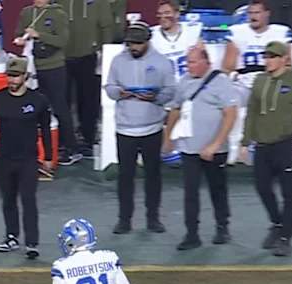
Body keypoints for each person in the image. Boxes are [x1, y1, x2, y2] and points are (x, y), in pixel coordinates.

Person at [238, 41, 292, 257]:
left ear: (284, 58)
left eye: (272, 56)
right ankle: (277, 222)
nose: (267, 60)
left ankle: (285, 237)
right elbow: (252, 114)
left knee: (288, 193)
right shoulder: (259, 81)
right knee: (262, 187)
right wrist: (245, 142)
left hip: (286, 144)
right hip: (263, 144)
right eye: (266, 56)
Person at [0, 56, 56, 258]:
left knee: (28, 199)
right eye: (9, 76)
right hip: (4, 159)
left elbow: (45, 129)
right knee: (8, 200)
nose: (12, 80)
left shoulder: (38, 100)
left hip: (29, 160)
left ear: (26, 76)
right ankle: (11, 238)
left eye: (16, 76)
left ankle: (32, 243)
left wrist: (48, 156)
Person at [103, 21, 176, 235]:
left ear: (147, 42)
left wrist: (156, 97)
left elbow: (170, 90)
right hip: (125, 128)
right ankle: (124, 219)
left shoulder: (162, 62)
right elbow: (109, 87)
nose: (133, 47)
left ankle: (153, 218)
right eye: (130, 44)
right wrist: (120, 93)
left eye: (137, 44)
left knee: (153, 175)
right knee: (126, 176)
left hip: (152, 128)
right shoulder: (118, 61)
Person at [165, 45, 238, 249]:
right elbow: (175, 109)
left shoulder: (221, 83)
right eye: (188, 62)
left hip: (215, 150)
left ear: (206, 62)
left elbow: (230, 114)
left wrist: (215, 144)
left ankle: (222, 228)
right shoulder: (184, 83)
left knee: (218, 190)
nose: (189, 66)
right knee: (190, 193)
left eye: (194, 61)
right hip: (189, 148)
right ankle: (191, 234)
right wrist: (168, 136)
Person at [222, 1, 291, 162]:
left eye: (257, 13)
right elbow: (227, 66)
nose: (253, 17)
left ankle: (262, 149)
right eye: (250, 13)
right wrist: (232, 78)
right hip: (244, 81)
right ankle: (233, 150)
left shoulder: (279, 33)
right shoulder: (237, 33)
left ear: (267, 14)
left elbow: (288, 63)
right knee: (230, 104)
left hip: (270, 80)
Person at [15, 0, 81, 166]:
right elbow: (18, 33)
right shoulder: (26, 12)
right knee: (34, 108)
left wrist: (39, 35)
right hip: (32, 67)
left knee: (59, 107)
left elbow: (62, 41)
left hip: (54, 67)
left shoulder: (58, 14)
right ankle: (38, 148)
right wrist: (20, 39)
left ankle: (71, 148)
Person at [62, 0, 110, 159]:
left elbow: (106, 26)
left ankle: (87, 140)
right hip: (61, 57)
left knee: (88, 101)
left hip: (89, 56)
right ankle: (65, 141)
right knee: (63, 101)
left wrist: (105, 52)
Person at [150, 0, 203, 81]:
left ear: (177, 14)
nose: (162, 17)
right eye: (160, 14)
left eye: (167, 13)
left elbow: (203, 60)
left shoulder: (192, 31)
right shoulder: (151, 36)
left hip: (190, 84)